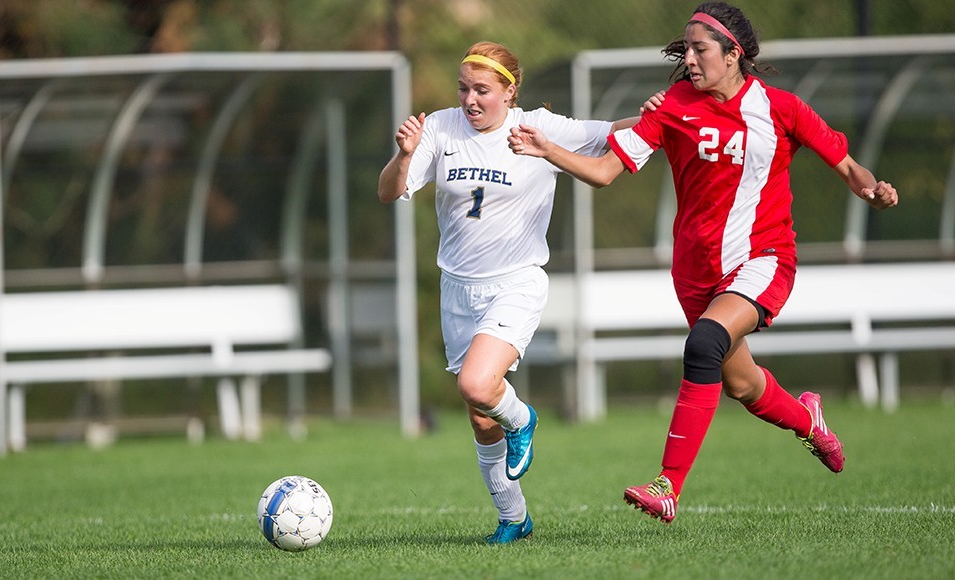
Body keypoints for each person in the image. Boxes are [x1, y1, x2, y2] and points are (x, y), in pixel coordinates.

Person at [507, 1, 898, 524]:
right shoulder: (672, 105)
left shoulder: (781, 108)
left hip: (763, 257)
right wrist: (547, 149)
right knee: (742, 385)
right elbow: (603, 173)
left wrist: (872, 191)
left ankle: (667, 485)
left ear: (733, 54)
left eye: (700, 49)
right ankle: (810, 422)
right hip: (695, 271)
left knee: (703, 344)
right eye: (685, 49)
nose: (689, 58)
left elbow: (848, 167)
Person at [378, 41, 641, 542]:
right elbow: (389, 192)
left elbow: (611, 132)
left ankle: (523, 419)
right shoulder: (441, 127)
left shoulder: (538, 127)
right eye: (463, 88)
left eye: (482, 90)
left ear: (509, 91)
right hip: (457, 289)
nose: (469, 100)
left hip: (516, 282)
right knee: (481, 419)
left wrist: (666, 117)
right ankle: (513, 518)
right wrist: (405, 155)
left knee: (478, 385)